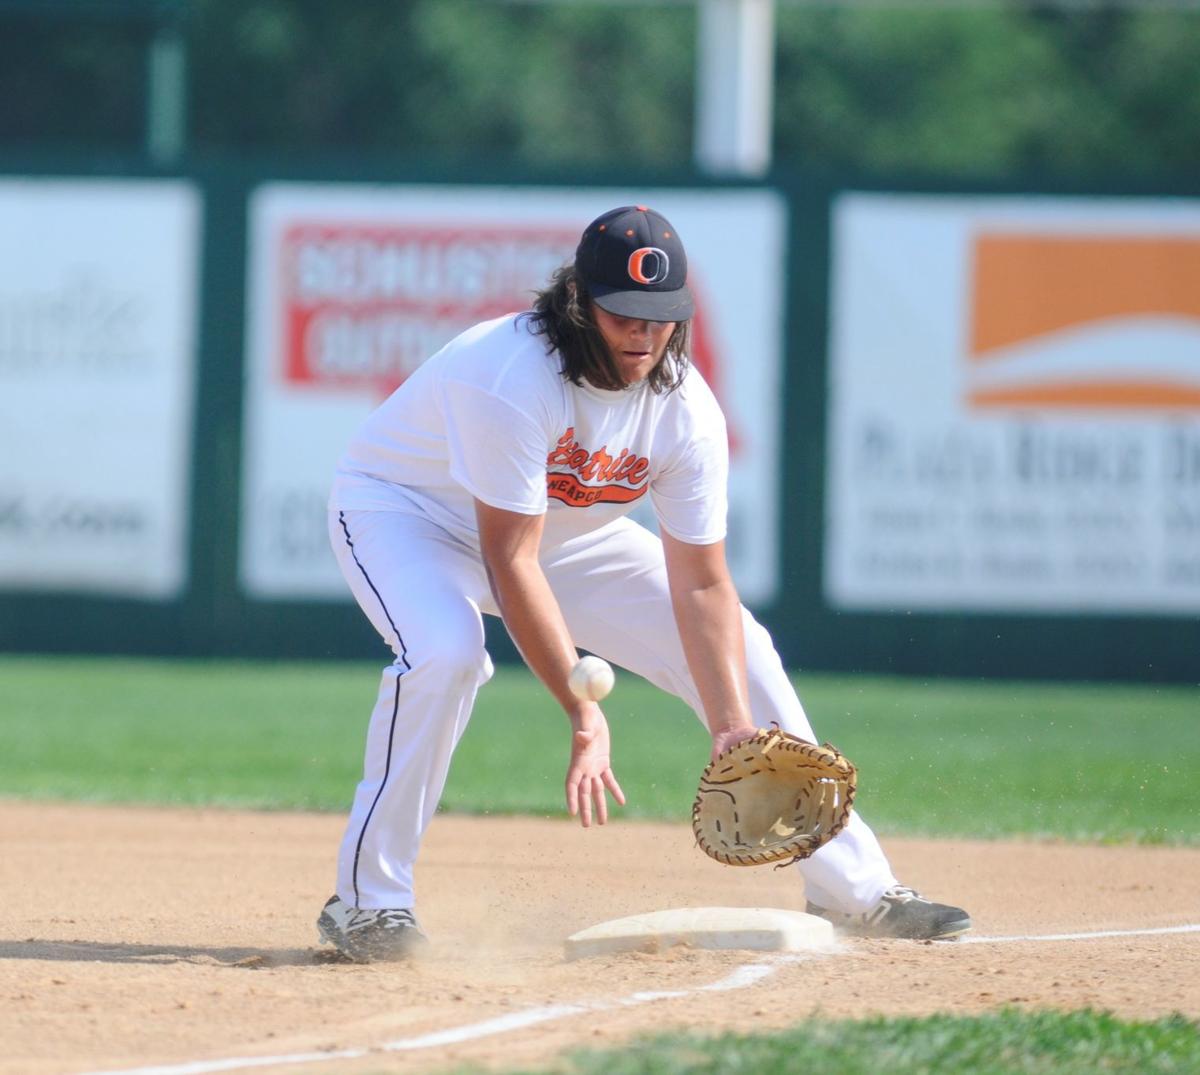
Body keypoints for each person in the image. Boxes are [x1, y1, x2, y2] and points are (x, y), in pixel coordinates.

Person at [316, 205, 971, 962]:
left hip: (564, 534)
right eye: (622, 311)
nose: (643, 331)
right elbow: (510, 559)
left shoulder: (685, 409)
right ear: (577, 304)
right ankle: (369, 902)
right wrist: (579, 708)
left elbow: (701, 585)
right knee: (447, 652)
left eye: (661, 316)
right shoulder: (511, 377)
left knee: (747, 652)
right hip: (407, 513)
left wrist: (732, 727)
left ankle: (852, 885)